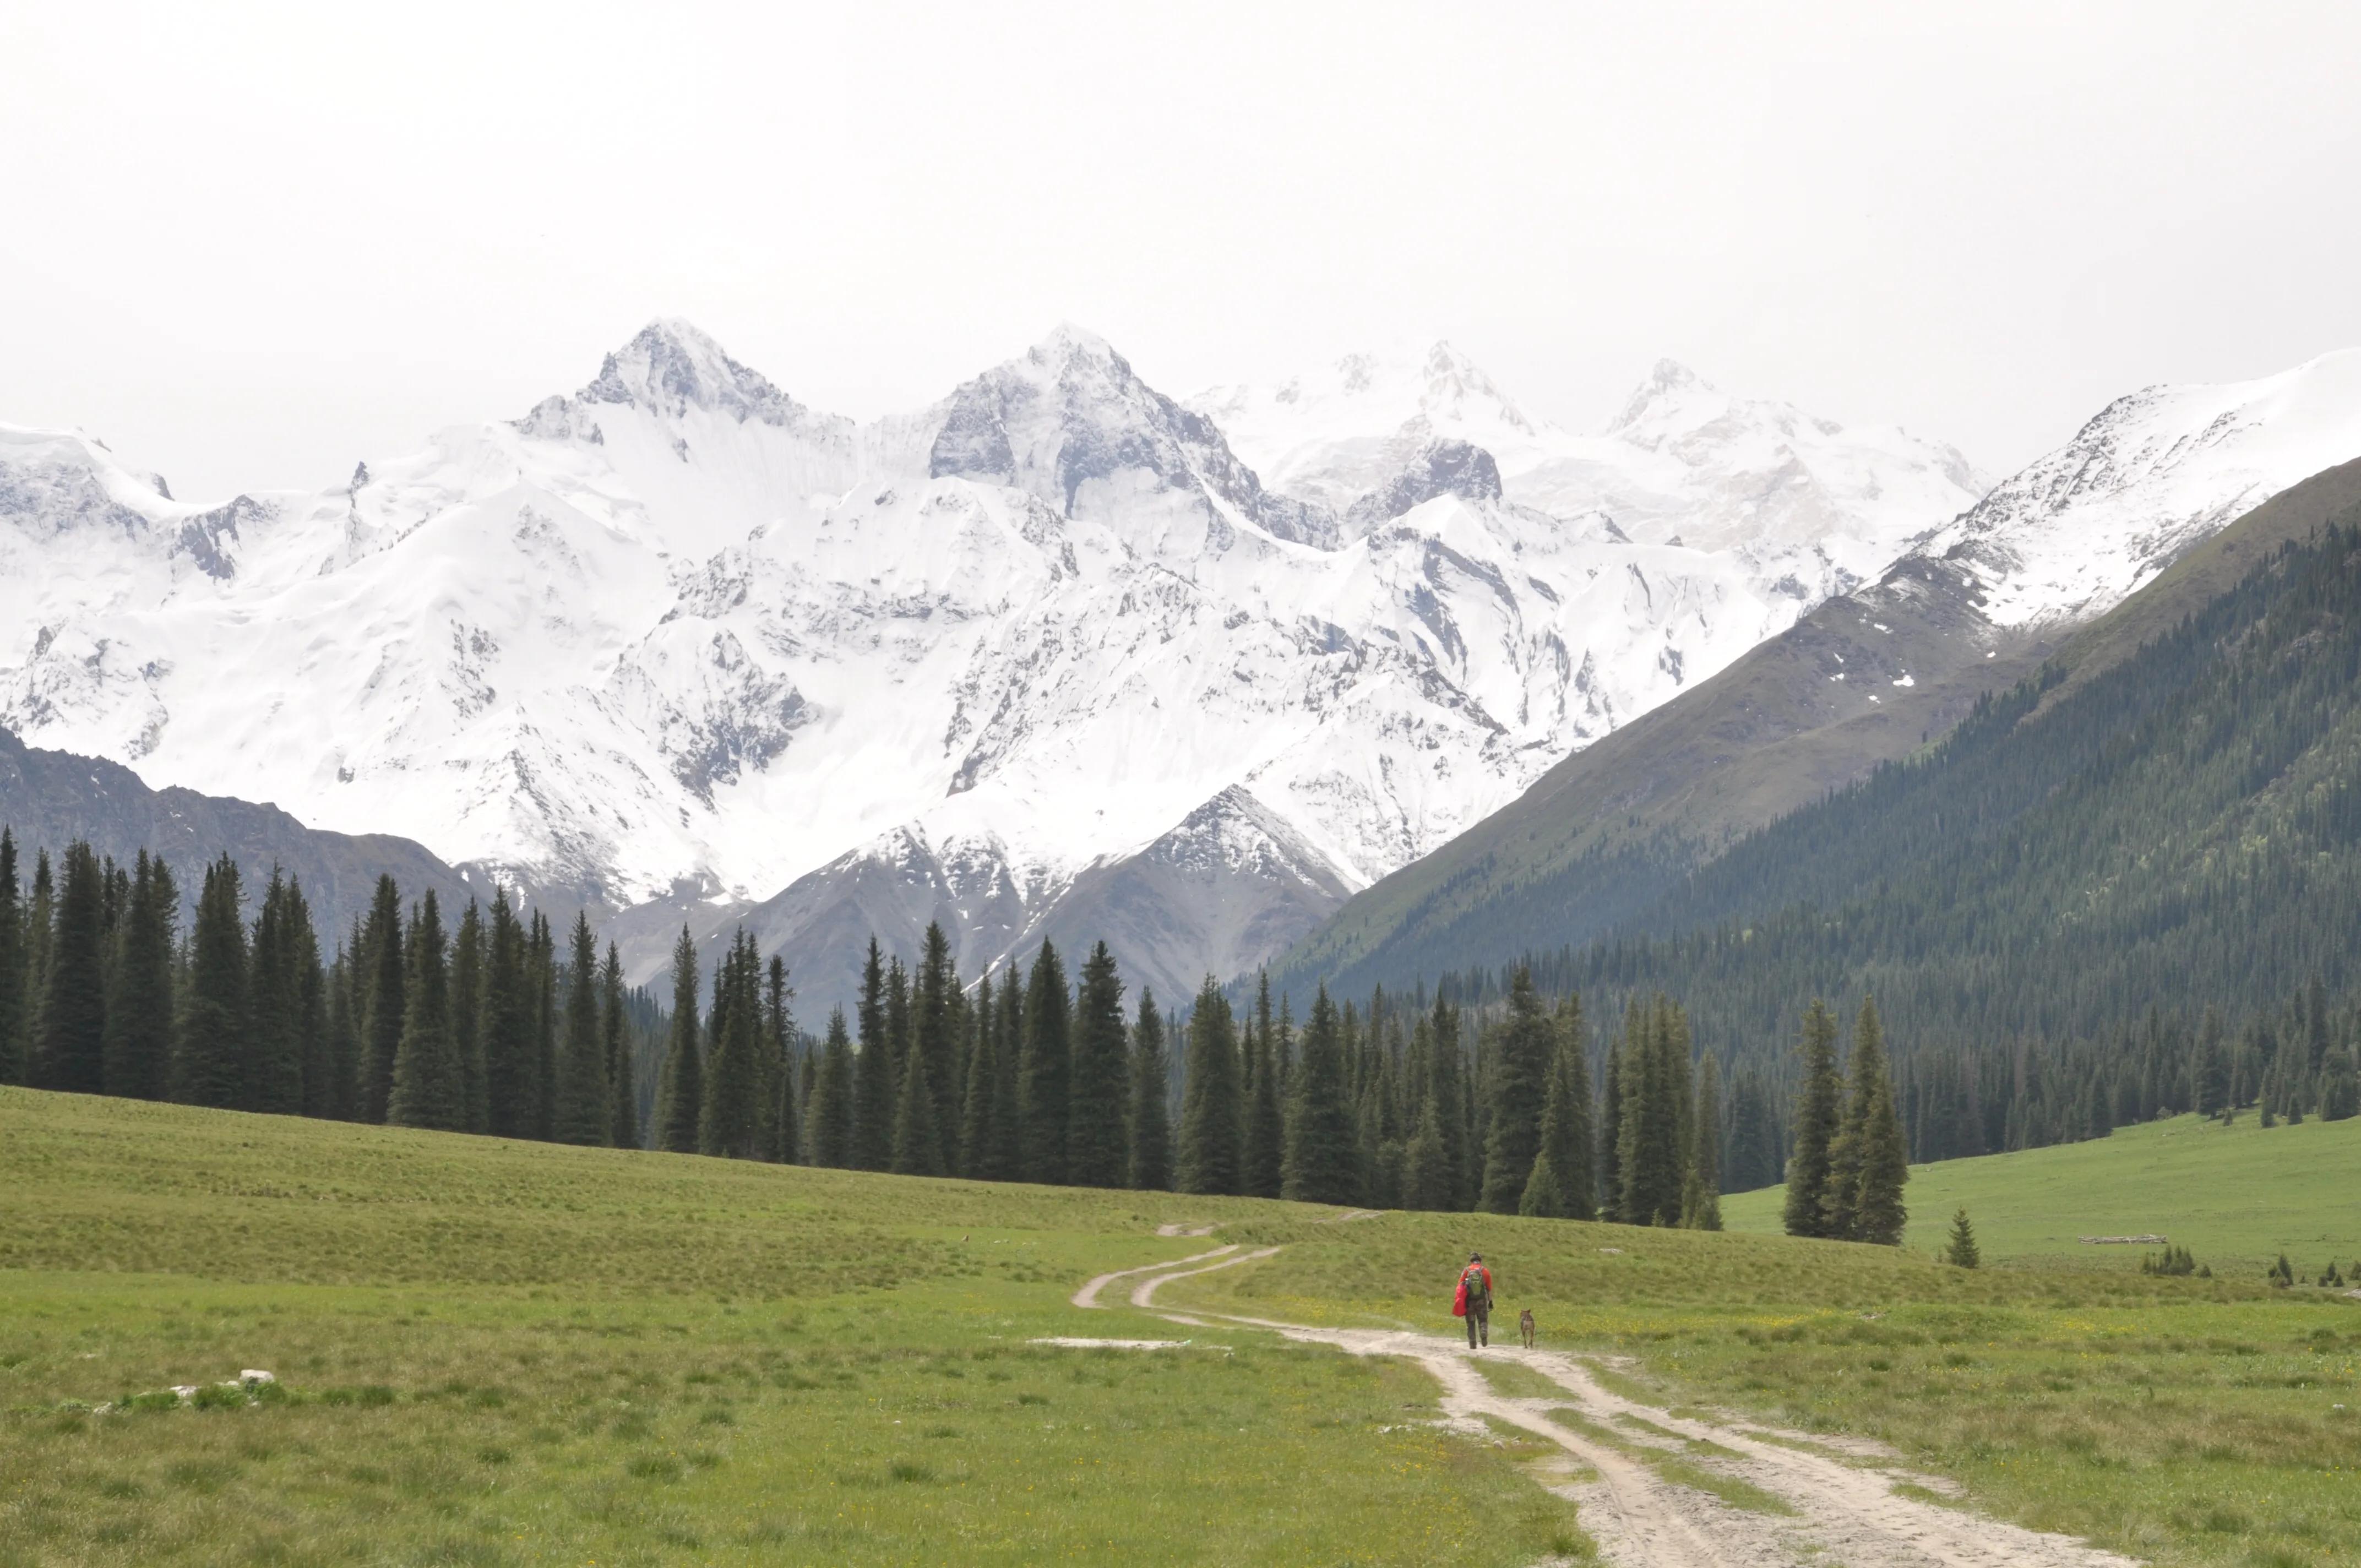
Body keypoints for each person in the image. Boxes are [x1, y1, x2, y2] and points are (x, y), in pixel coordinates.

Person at [1454, 1252, 1494, 1348]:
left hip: (1469, 1301)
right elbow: (1489, 1289)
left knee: (1471, 1322)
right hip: (1482, 1300)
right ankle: (1483, 1332)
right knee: (1483, 1319)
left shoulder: (1467, 1271)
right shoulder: (1485, 1271)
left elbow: (1460, 1286)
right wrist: (1490, 1302)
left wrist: (1460, 1300)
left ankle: (1472, 1343)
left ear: (1471, 1261)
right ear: (1480, 1261)